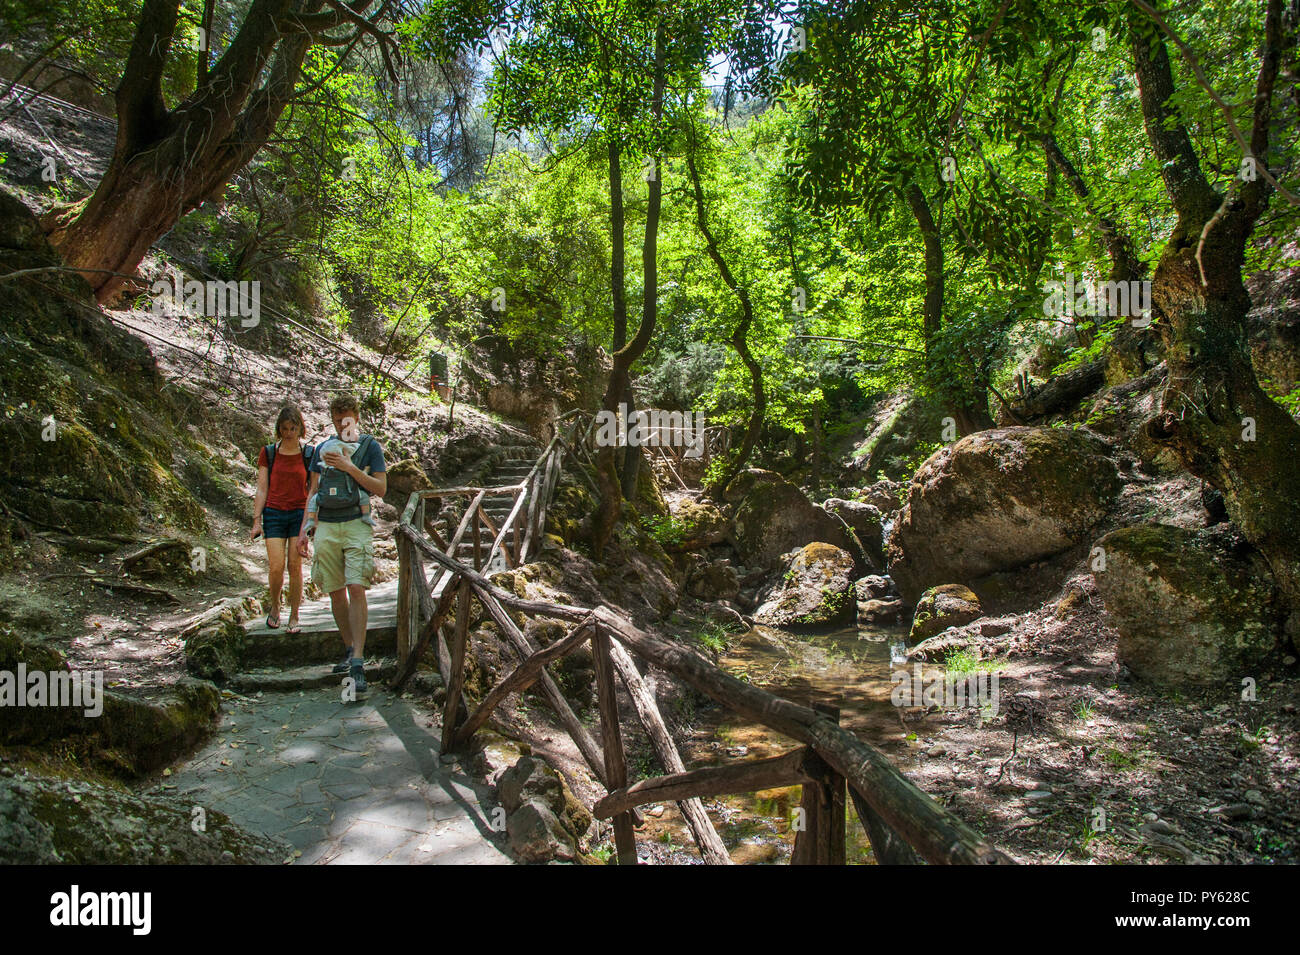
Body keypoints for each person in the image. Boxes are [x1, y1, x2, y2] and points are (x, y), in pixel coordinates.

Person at [297, 394, 386, 694]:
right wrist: (303, 532)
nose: (343, 424)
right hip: (326, 526)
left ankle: (359, 661)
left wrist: (350, 467)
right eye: (338, 420)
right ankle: (349, 649)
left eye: (347, 419)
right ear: (333, 420)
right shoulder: (322, 449)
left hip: (356, 525)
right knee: (335, 590)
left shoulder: (369, 447)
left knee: (356, 585)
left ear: (357, 417)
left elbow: (381, 488)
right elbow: (313, 491)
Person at [251, 405, 314, 634]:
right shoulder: (268, 452)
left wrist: (309, 523)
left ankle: (295, 614)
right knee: (276, 566)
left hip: (298, 513)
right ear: (279, 428)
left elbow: (313, 490)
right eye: (285, 428)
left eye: (293, 428)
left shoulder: (309, 454)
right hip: (274, 513)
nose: (289, 433)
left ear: (300, 428)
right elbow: (261, 488)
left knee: (294, 565)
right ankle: (276, 606)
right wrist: (257, 520)